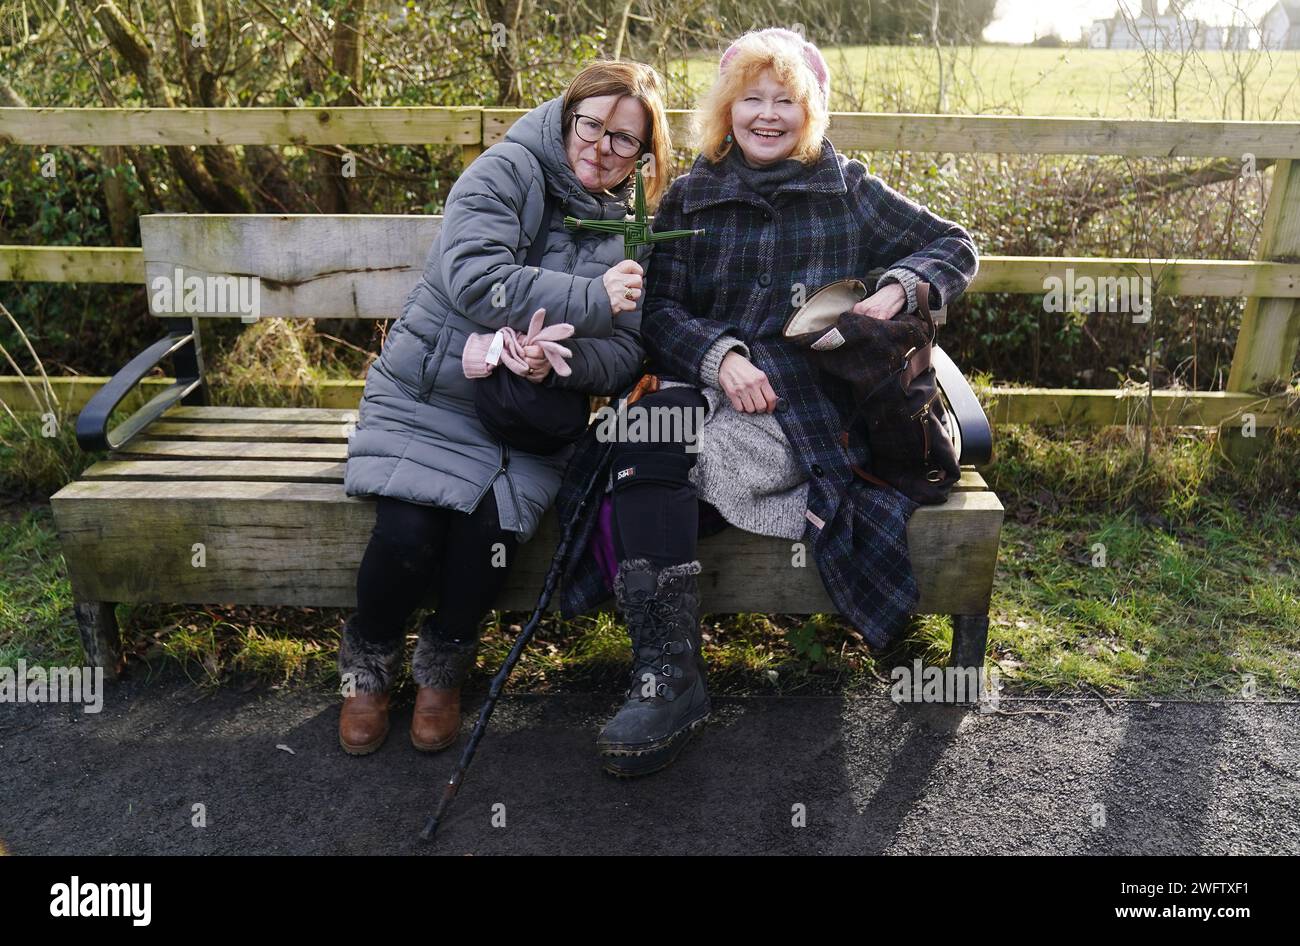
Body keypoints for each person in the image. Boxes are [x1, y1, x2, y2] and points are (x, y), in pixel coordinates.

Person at [555, 28, 980, 777]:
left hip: (805, 402)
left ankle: (669, 656)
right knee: (645, 434)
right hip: (709, 379)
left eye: (786, 100)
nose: (767, 114)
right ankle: (669, 677)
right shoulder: (690, 193)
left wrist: (897, 288)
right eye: (751, 98)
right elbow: (657, 312)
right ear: (728, 108)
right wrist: (720, 357)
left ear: (810, 111)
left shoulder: (847, 188)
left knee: (653, 483)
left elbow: (953, 245)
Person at [338, 60, 672, 756]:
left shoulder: (637, 228)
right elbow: (474, 277)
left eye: (624, 142)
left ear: (643, 155)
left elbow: (629, 353)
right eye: (592, 126)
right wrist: (590, 300)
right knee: (407, 532)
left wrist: (561, 361)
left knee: (487, 539)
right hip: (430, 398)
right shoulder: (507, 171)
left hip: (526, 419)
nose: (600, 149)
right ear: (567, 113)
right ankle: (366, 665)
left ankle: (442, 668)